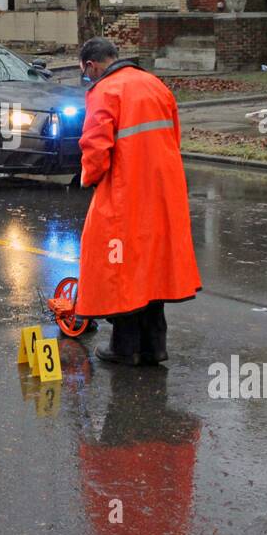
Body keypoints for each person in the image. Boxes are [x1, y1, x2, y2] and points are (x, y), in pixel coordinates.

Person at [75, 37, 202, 366]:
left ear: (91, 65)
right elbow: (173, 136)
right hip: (162, 191)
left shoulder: (105, 91)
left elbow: (95, 146)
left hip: (125, 193)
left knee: (120, 265)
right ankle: (155, 346)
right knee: (152, 265)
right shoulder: (155, 84)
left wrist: (89, 177)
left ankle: (125, 346)